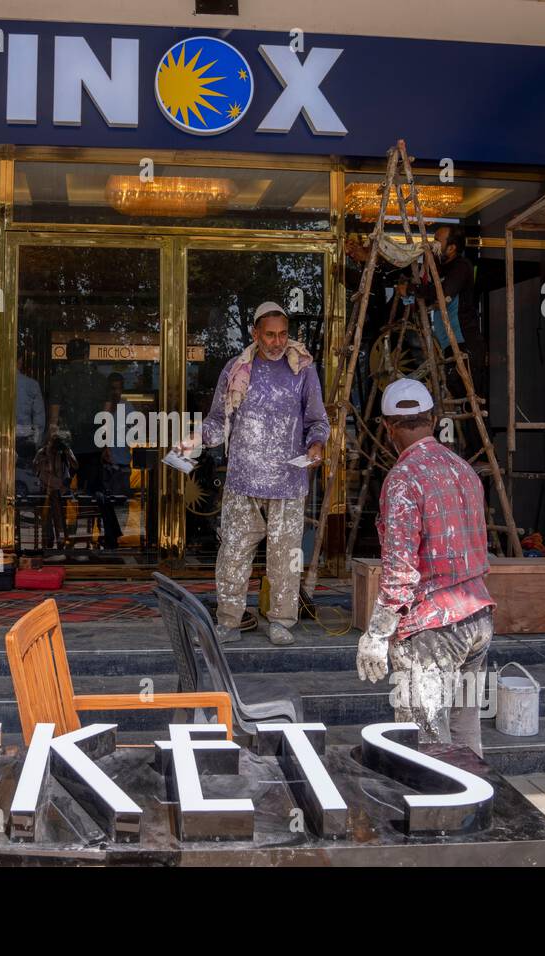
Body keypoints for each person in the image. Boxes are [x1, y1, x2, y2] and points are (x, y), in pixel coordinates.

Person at [354, 378, 495, 755]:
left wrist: (377, 634)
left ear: (387, 428)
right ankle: (472, 810)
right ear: (432, 419)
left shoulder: (403, 480)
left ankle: (438, 813)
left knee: (425, 744)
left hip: (433, 631)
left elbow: (400, 572)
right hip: (477, 618)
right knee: (464, 735)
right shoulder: (464, 471)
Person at [179, 301, 329, 647]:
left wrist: (317, 445)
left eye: (283, 335)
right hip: (242, 479)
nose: (278, 342)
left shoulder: (302, 369)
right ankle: (229, 621)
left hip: (288, 482)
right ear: (255, 334)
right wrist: (197, 438)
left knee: (285, 559)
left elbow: (317, 420)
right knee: (232, 554)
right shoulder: (236, 369)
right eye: (270, 335)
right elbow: (218, 420)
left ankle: (280, 621)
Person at [48, 337, 122, 550]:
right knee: (96, 491)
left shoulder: (59, 379)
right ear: (87, 355)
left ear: (67, 355)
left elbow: (54, 416)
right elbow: (106, 416)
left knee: (60, 490)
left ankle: (58, 537)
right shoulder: (100, 380)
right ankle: (106, 537)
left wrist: (52, 439)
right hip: (92, 441)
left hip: (66, 441)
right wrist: (105, 444)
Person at [401, 225, 486, 402]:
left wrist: (412, 289)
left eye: (437, 242)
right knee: (458, 395)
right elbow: (431, 294)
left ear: (452, 247)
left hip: (464, 344)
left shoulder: (461, 266)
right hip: (449, 344)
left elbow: (444, 292)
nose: (433, 246)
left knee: (469, 400)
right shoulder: (439, 269)